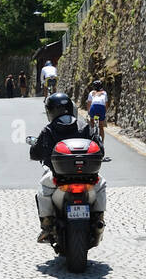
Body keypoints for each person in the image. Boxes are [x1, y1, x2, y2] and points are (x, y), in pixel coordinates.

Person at [29, 92, 97, 242]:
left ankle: (47, 225)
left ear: (51, 111)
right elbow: (99, 147)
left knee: (42, 192)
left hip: (57, 177)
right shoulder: (84, 126)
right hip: (86, 175)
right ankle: (98, 219)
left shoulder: (49, 130)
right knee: (102, 185)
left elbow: (35, 152)